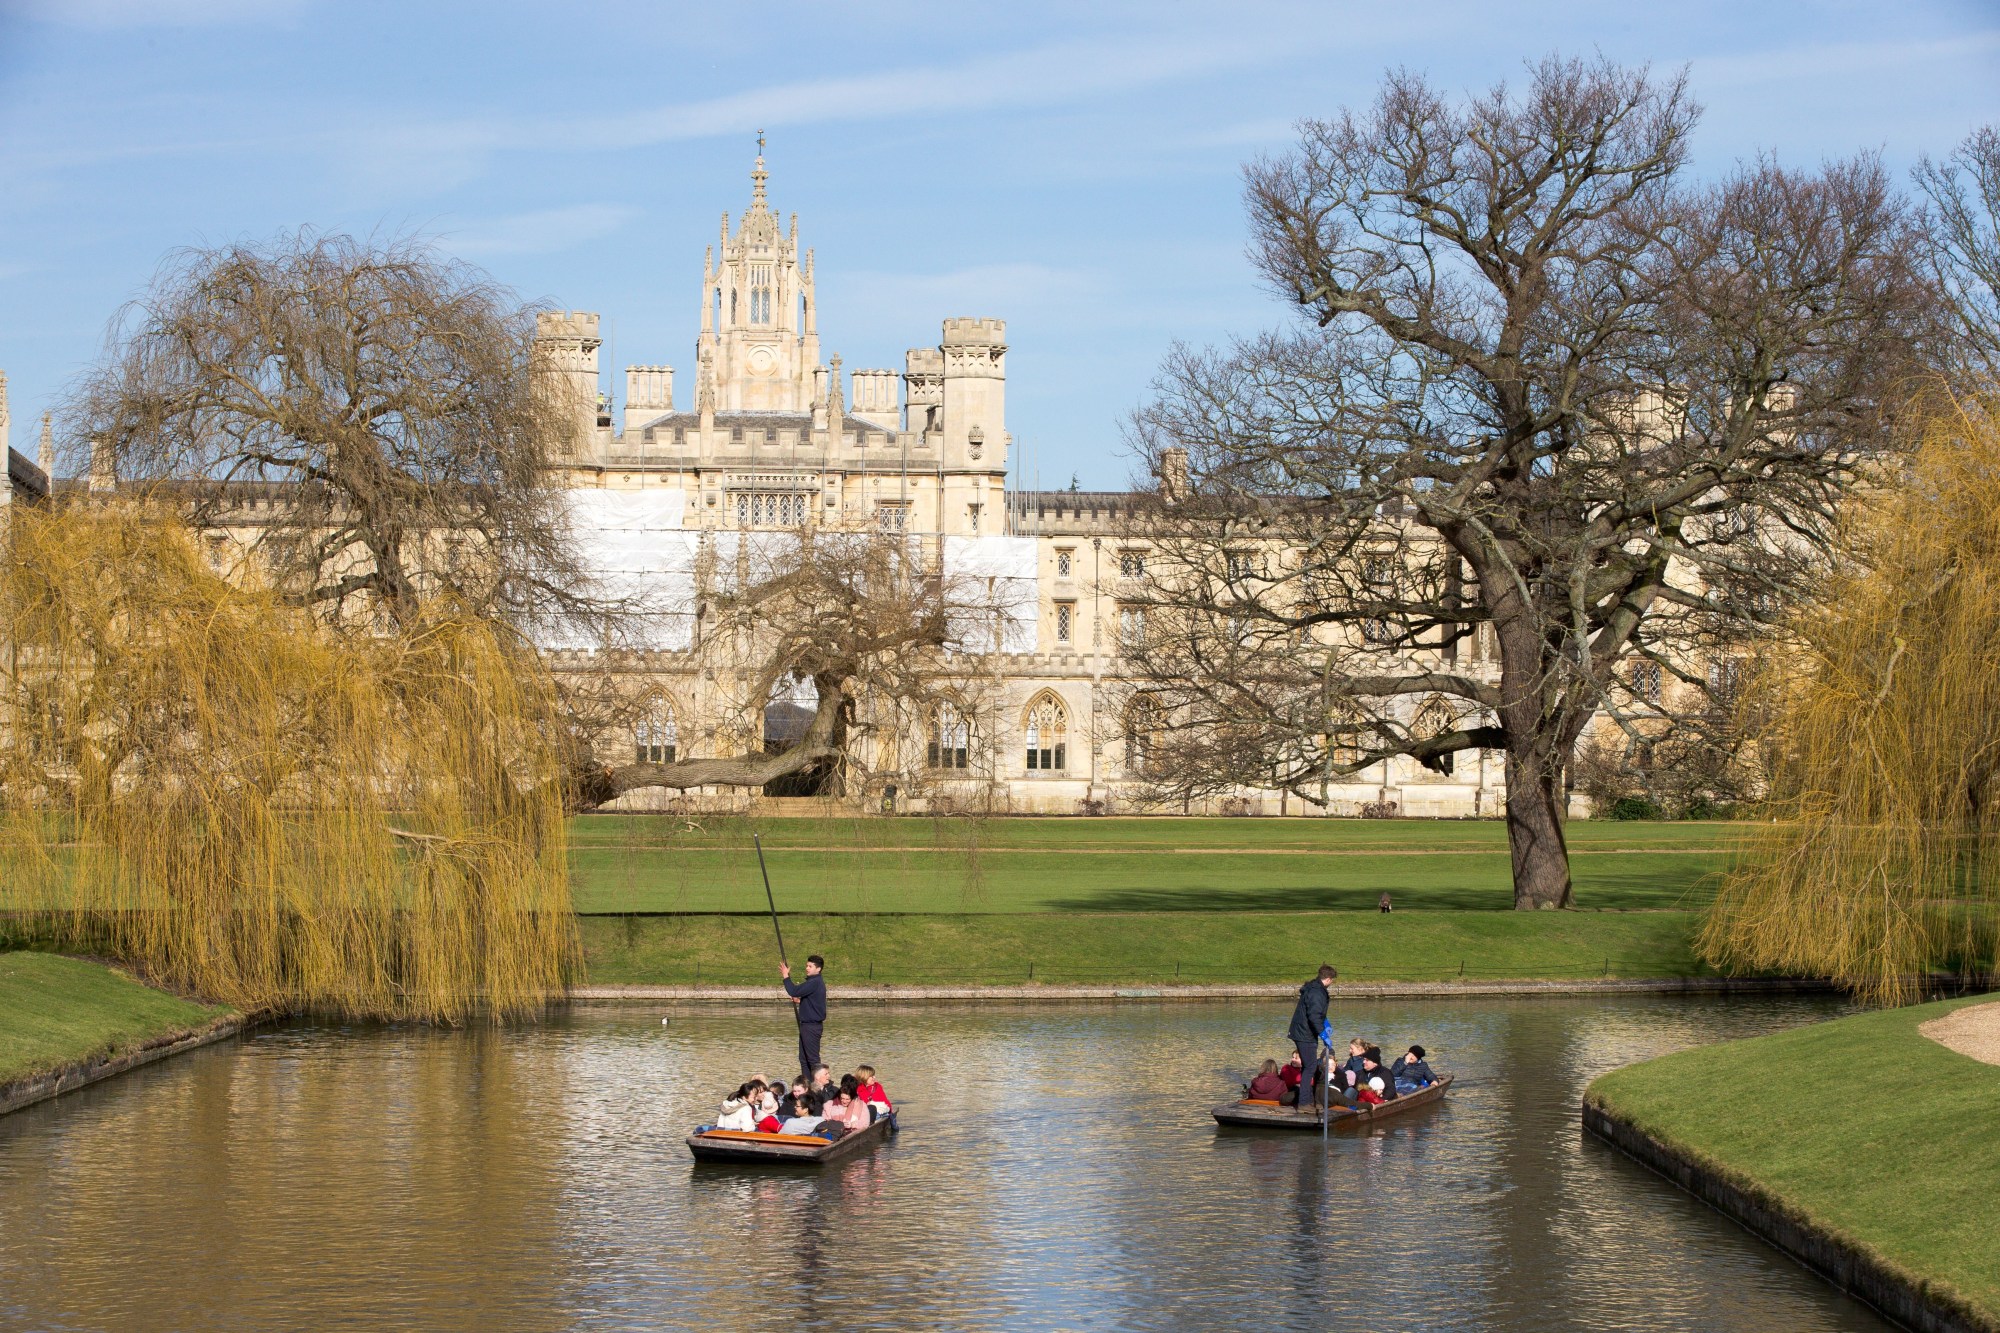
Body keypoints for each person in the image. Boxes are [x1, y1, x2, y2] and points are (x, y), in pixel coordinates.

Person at [1286, 964, 1337, 1112]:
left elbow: (1317, 1012)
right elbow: (1314, 1016)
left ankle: (1309, 1099)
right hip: (1305, 1034)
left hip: (1301, 1031)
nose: (1331, 982)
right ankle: (1304, 1103)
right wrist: (1323, 1034)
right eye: (1332, 980)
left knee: (1309, 1067)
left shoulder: (1313, 988)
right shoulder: (1317, 992)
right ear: (1328, 979)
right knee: (1310, 1067)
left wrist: (1325, 1022)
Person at [781, 954, 828, 1083]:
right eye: (807, 965)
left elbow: (794, 990)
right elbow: (814, 1001)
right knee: (803, 1059)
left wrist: (786, 976)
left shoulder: (814, 982)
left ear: (818, 969)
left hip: (811, 1027)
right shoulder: (813, 983)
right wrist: (801, 1001)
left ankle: (822, 1086)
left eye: (810, 966)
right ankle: (808, 1086)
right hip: (807, 1025)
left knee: (813, 1059)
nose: (807, 968)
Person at [1332, 1038, 1370, 1105]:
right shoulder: (1352, 1059)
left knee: (1350, 1090)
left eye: (1352, 1049)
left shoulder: (1367, 1060)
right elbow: (1344, 1071)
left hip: (1359, 1090)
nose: (1350, 1050)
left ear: (1360, 1048)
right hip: (1350, 1086)